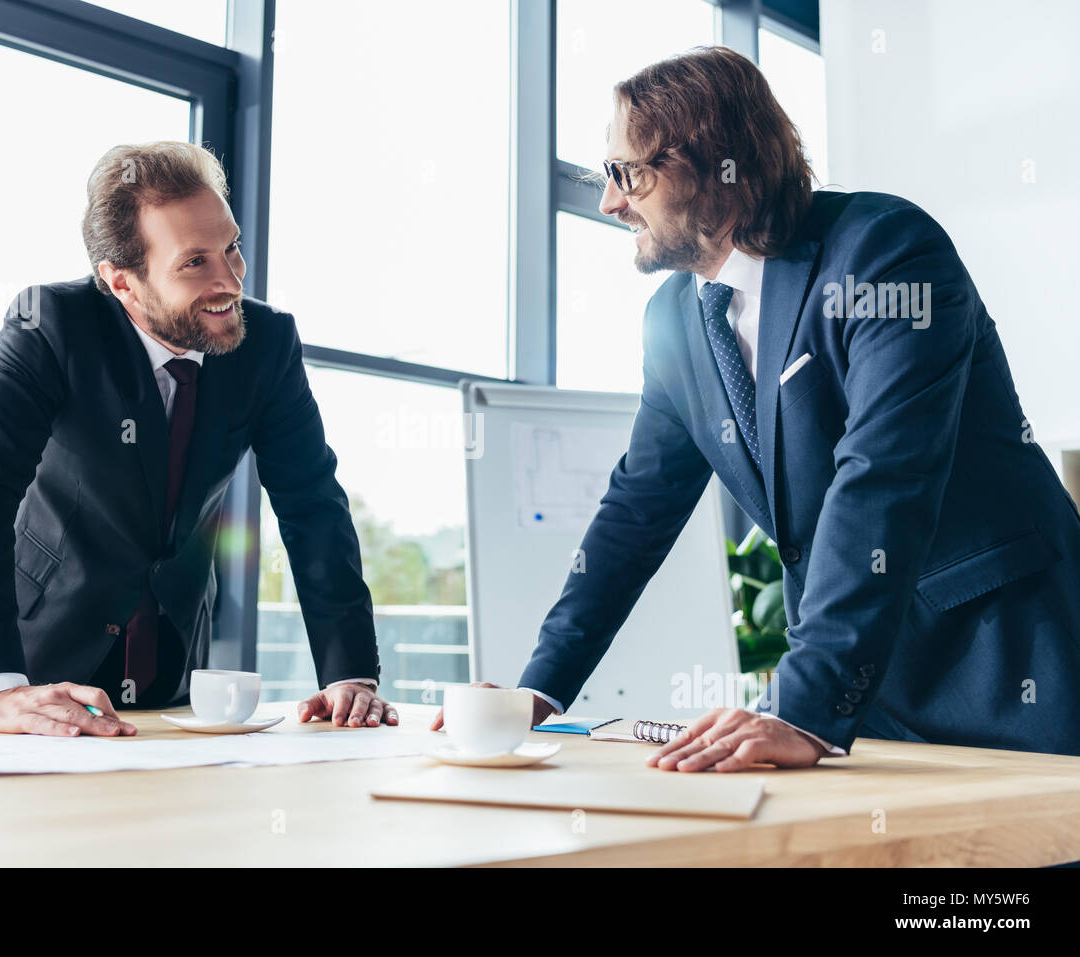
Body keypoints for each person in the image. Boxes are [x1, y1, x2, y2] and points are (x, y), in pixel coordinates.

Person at [435, 46, 1080, 769]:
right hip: (864, 700)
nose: (611, 201)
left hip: (1010, 666)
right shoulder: (675, 319)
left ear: (714, 159)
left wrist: (800, 706)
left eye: (627, 173)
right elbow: (634, 514)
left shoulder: (889, 251)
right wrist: (538, 692)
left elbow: (883, 479)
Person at [0, 141, 396, 736]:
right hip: (37, 662)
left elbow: (312, 505)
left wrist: (349, 672)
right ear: (121, 282)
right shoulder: (51, 325)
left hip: (174, 666)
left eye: (232, 248)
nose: (229, 281)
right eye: (194, 262)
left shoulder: (267, 344)